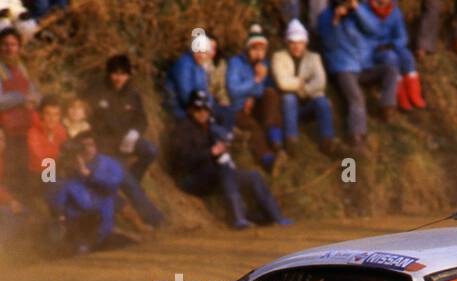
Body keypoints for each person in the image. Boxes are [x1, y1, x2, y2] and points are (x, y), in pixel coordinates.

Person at [167, 89, 291, 230]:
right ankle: (237, 219)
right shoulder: (182, 129)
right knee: (224, 168)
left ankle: (276, 217)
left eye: (205, 109)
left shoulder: (208, 128)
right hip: (191, 179)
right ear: (190, 109)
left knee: (253, 176)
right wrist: (211, 152)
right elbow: (181, 160)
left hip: (213, 175)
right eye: (197, 109)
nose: (202, 112)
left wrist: (222, 150)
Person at [49, 130, 163, 254]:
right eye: (84, 145)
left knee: (119, 240)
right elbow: (53, 188)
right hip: (77, 219)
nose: (88, 149)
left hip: (100, 218)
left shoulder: (107, 163)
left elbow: (114, 182)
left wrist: (90, 175)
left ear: (96, 147)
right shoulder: (69, 165)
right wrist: (60, 164)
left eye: (91, 145)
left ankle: (139, 231)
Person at [317, 0, 398, 147]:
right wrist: (335, 21)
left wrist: (357, 9)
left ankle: (387, 106)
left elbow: (375, 29)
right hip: (343, 67)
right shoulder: (325, 16)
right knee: (357, 98)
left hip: (364, 65)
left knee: (391, 69)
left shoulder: (360, 10)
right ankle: (357, 136)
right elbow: (327, 43)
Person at [272, 19, 337, 153]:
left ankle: (328, 140)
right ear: (287, 43)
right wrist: (303, 83)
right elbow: (282, 83)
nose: (296, 46)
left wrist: (302, 89)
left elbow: (320, 82)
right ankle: (291, 140)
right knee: (289, 98)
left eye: (300, 42)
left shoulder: (314, 57)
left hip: (307, 104)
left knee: (322, 101)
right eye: (293, 42)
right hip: (287, 107)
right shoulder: (278, 57)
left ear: (305, 43)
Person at [225, 24, 284, 171]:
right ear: (248, 49)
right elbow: (233, 91)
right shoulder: (236, 63)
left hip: (253, 103)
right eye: (255, 49)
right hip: (237, 108)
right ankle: (268, 160)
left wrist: (252, 95)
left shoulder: (263, 64)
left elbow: (263, 89)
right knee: (253, 128)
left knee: (271, 96)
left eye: (262, 50)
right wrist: (256, 80)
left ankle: (275, 140)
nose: (259, 54)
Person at [90, 54, 158, 182]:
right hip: (106, 141)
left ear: (128, 75)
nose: (118, 78)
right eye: (115, 73)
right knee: (117, 171)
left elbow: (142, 119)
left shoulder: (133, 95)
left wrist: (134, 133)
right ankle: (126, 182)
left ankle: (134, 178)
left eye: (123, 74)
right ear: (109, 73)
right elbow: (94, 118)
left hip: (127, 140)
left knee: (151, 150)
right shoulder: (98, 89)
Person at [358, 0, 427, 110]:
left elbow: (402, 35)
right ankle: (399, 93)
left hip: (390, 45)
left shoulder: (394, 10)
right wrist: (378, 46)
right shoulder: (364, 8)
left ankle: (414, 94)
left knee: (407, 56)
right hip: (372, 49)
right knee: (390, 57)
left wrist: (393, 45)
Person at [0, 26, 38, 185]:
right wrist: (21, 98)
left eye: (13, 44)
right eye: (5, 44)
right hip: (6, 131)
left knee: (46, 160)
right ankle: (11, 202)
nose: (10, 49)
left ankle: (47, 188)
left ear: (19, 47)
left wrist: (36, 100)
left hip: (27, 127)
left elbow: (35, 92)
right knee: (10, 172)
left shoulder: (23, 68)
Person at [25, 93, 62, 179]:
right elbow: (41, 159)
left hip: (55, 173)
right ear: (41, 115)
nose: (52, 119)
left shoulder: (61, 129)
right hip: (38, 176)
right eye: (48, 114)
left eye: (56, 114)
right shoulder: (33, 133)